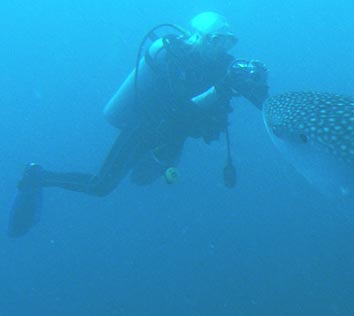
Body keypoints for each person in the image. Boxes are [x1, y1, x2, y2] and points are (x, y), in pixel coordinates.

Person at [7, 12, 269, 238]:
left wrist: (256, 85)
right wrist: (219, 89)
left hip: (173, 135)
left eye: (228, 41)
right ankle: (37, 176)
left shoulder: (221, 65)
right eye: (216, 40)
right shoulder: (172, 58)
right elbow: (179, 108)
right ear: (198, 36)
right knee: (101, 186)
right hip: (143, 128)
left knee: (143, 180)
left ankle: (147, 164)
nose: (222, 48)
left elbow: (258, 102)